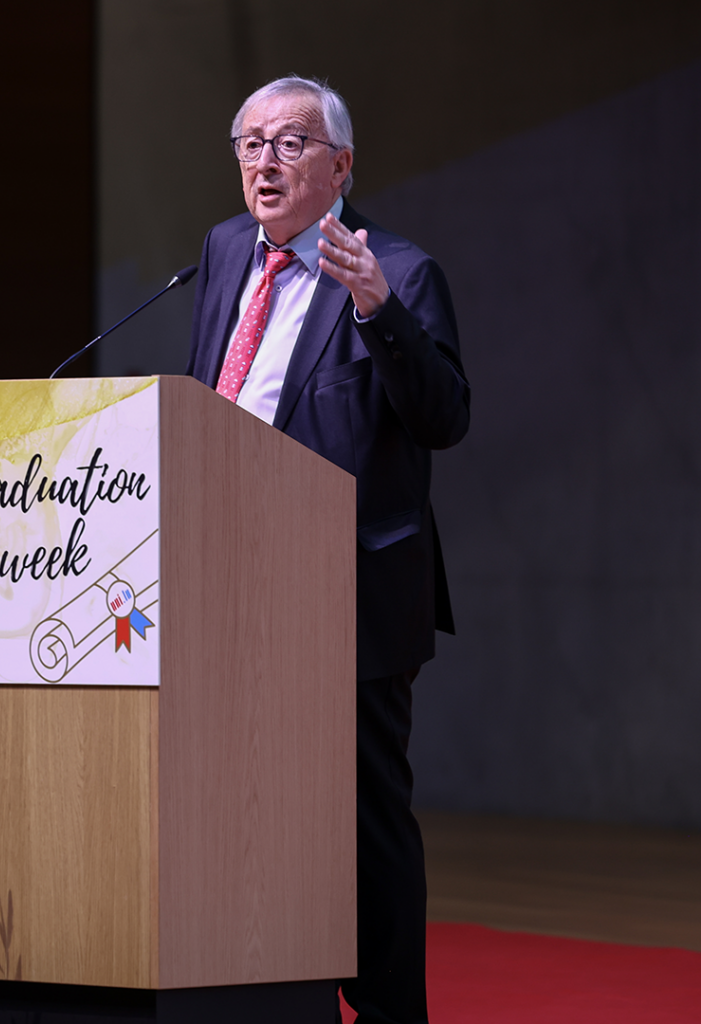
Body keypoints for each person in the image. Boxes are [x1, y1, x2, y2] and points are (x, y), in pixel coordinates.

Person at [183, 76, 470, 1024]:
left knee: (362, 825)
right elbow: (204, 403)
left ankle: (391, 1013)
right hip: (224, 586)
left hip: (346, 594)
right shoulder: (226, 250)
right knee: (242, 810)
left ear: (341, 165)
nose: (265, 162)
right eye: (250, 143)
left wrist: (379, 310)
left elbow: (443, 419)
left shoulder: (400, 268)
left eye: (292, 144)